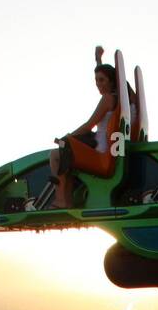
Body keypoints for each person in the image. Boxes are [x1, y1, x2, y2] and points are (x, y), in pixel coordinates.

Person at [48, 63, 119, 208]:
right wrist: (98, 59)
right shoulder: (117, 98)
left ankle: (62, 200)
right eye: (96, 80)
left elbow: (89, 125)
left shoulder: (107, 99)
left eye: (102, 80)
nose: (98, 84)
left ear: (111, 81)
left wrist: (68, 137)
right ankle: (66, 200)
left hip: (100, 149)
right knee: (66, 151)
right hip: (102, 144)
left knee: (56, 154)